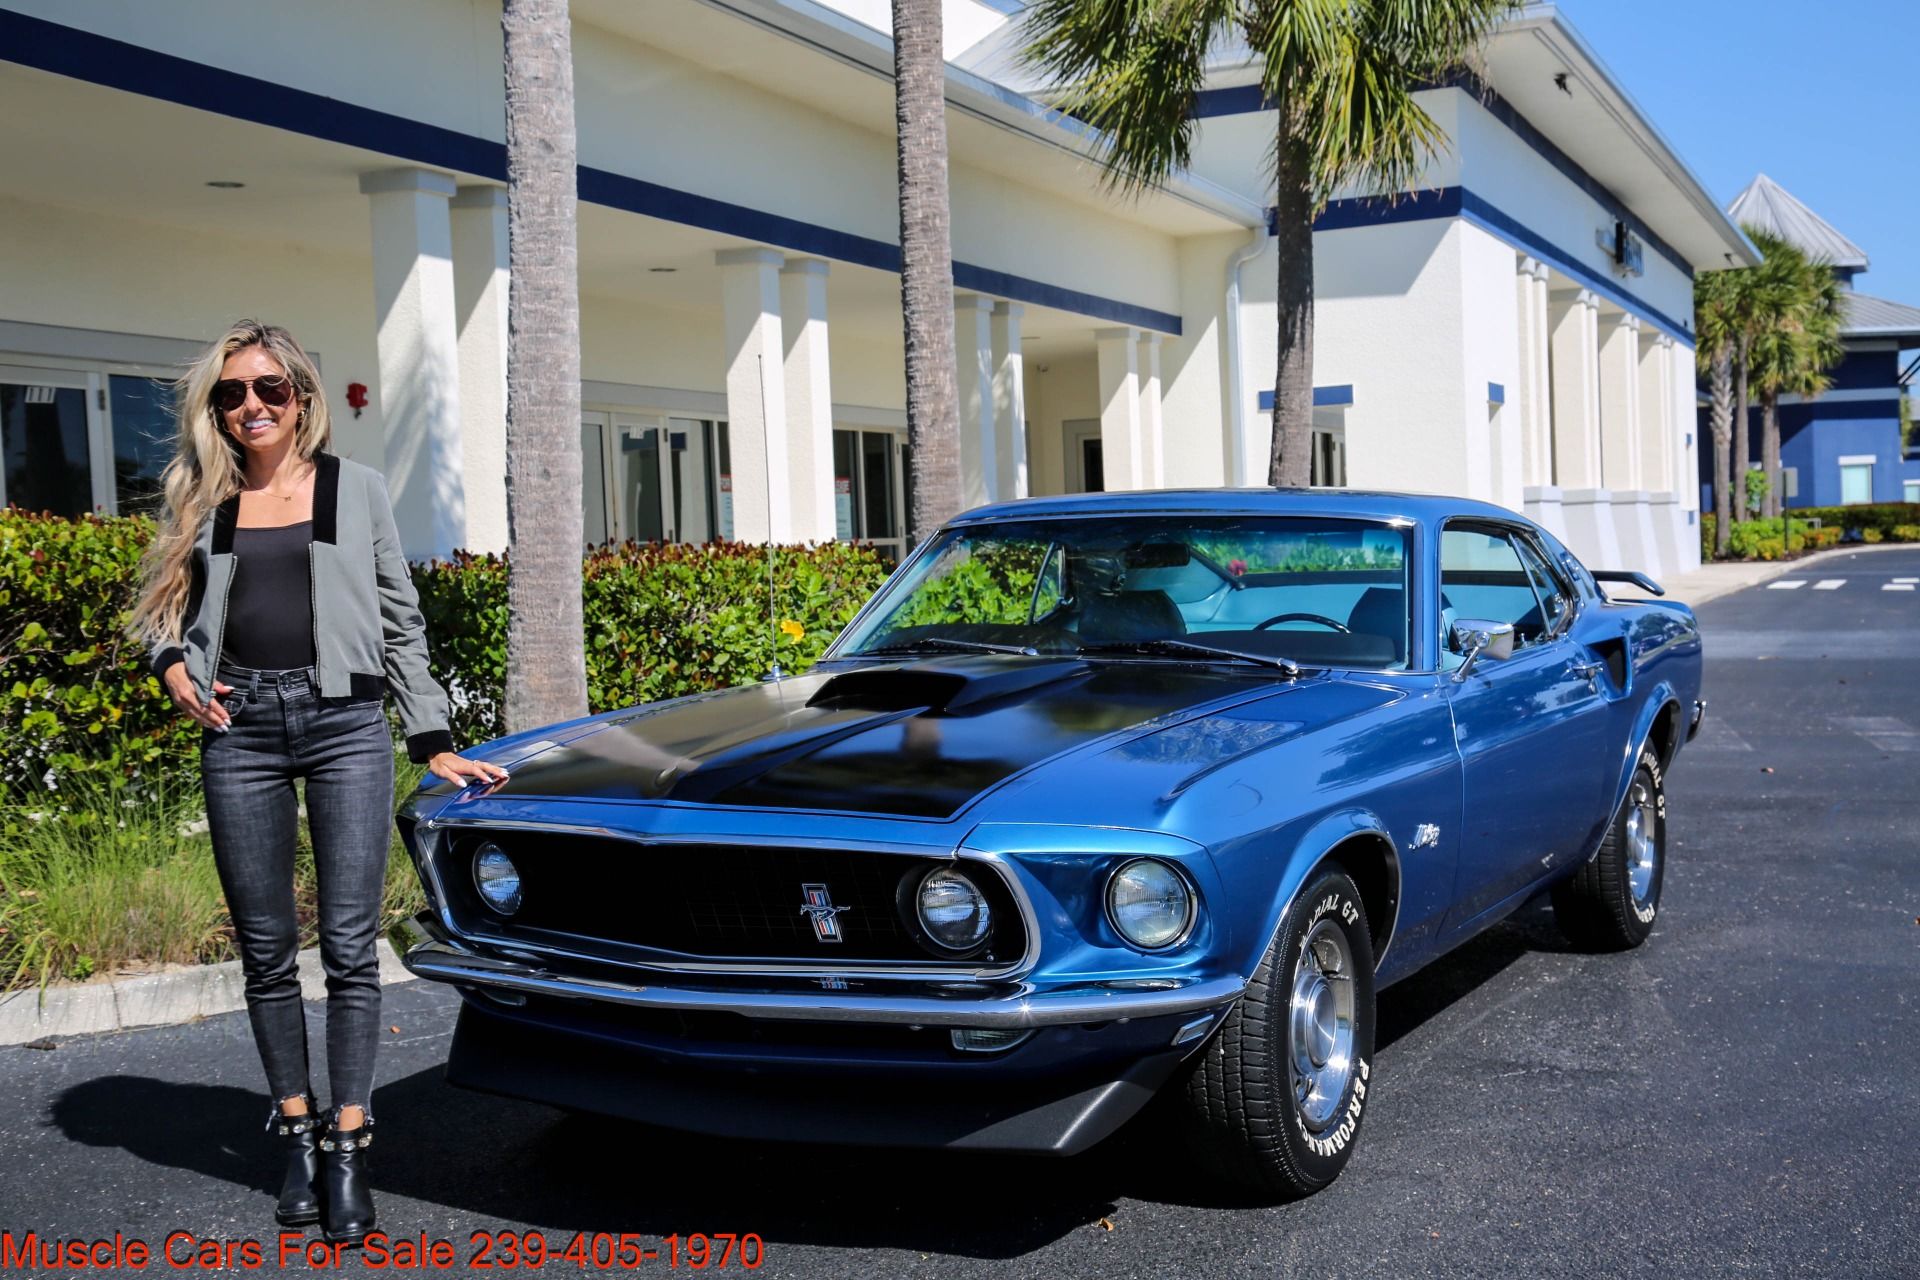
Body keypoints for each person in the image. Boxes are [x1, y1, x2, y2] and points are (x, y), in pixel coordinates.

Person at [132, 320, 507, 1246]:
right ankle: (294, 1131)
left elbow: (399, 619)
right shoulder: (202, 501)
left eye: (268, 389)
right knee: (265, 950)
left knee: (346, 947)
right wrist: (173, 668)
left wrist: (431, 740)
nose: (250, 406)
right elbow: (162, 615)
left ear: (301, 397)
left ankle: (349, 1143)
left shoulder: (352, 491)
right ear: (213, 411)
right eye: (230, 394)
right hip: (240, 731)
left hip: (343, 726)